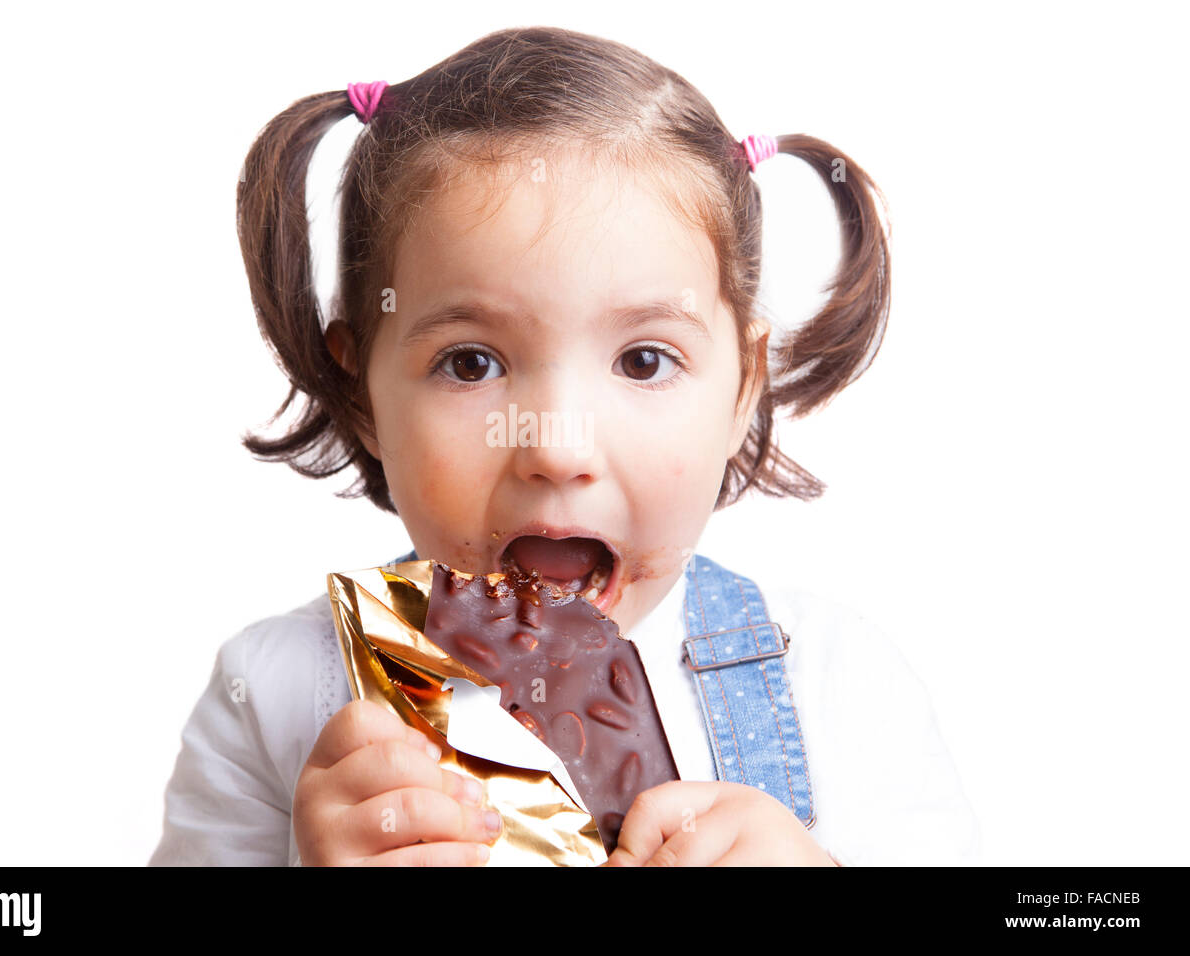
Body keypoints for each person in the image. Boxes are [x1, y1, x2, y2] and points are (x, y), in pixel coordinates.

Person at [149, 26, 979, 866]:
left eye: (643, 360)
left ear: (741, 389)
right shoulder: (276, 700)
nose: (556, 446)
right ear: (362, 390)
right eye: (471, 363)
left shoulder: (839, 684)